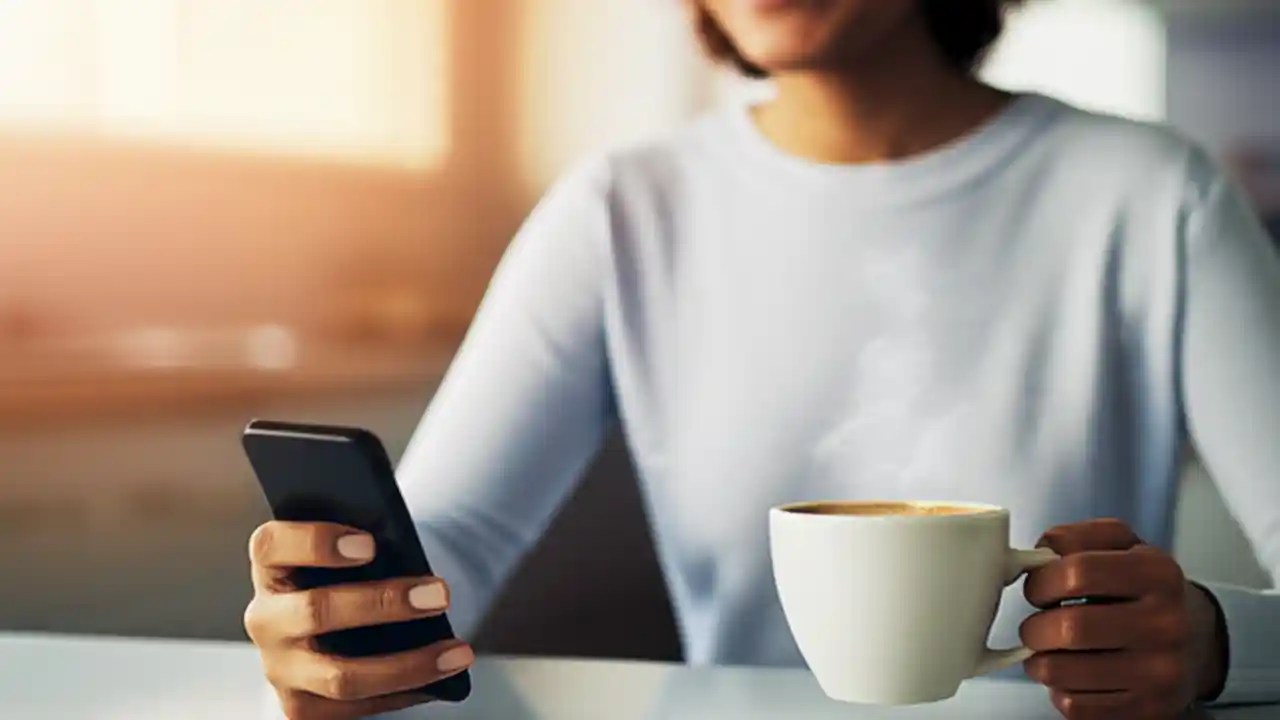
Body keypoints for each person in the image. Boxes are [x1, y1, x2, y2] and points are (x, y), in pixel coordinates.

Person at [241, 1, 1280, 718]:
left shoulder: (1153, 196)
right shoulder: (621, 207)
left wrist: (1210, 643)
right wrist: (342, 635)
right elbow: (450, 537)